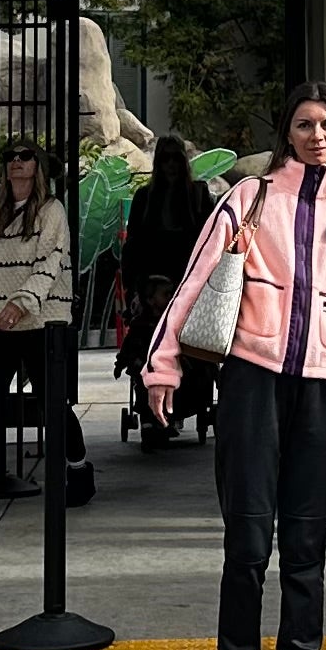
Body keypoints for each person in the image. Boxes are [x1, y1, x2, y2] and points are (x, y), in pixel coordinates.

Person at [146, 84, 326, 650]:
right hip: (252, 382)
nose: (318, 136)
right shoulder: (247, 198)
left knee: (306, 547)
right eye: (305, 124)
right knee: (247, 540)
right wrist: (163, 362)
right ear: (288, 132)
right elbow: (197, 279)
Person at [0, 139, 87, 522]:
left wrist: (21, 303)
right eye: (10, 157)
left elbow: (50, 264)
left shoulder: (51, 212)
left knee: (51, 403)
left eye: (25, 157)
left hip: (42, 320)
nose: (16, 163)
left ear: (38, 166)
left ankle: (78, 469)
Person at [113, 135, 213, 446]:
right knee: (148, 344)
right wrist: (132, 290)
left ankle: (181, 407)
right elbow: (134, 246)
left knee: (190, 350)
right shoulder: (146, 198)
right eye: (165, 159)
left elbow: (211, 241)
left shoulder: (198, 195)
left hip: (188, 286)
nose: (170, 165)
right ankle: (150, 413)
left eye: (175, 159)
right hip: (152, 286)